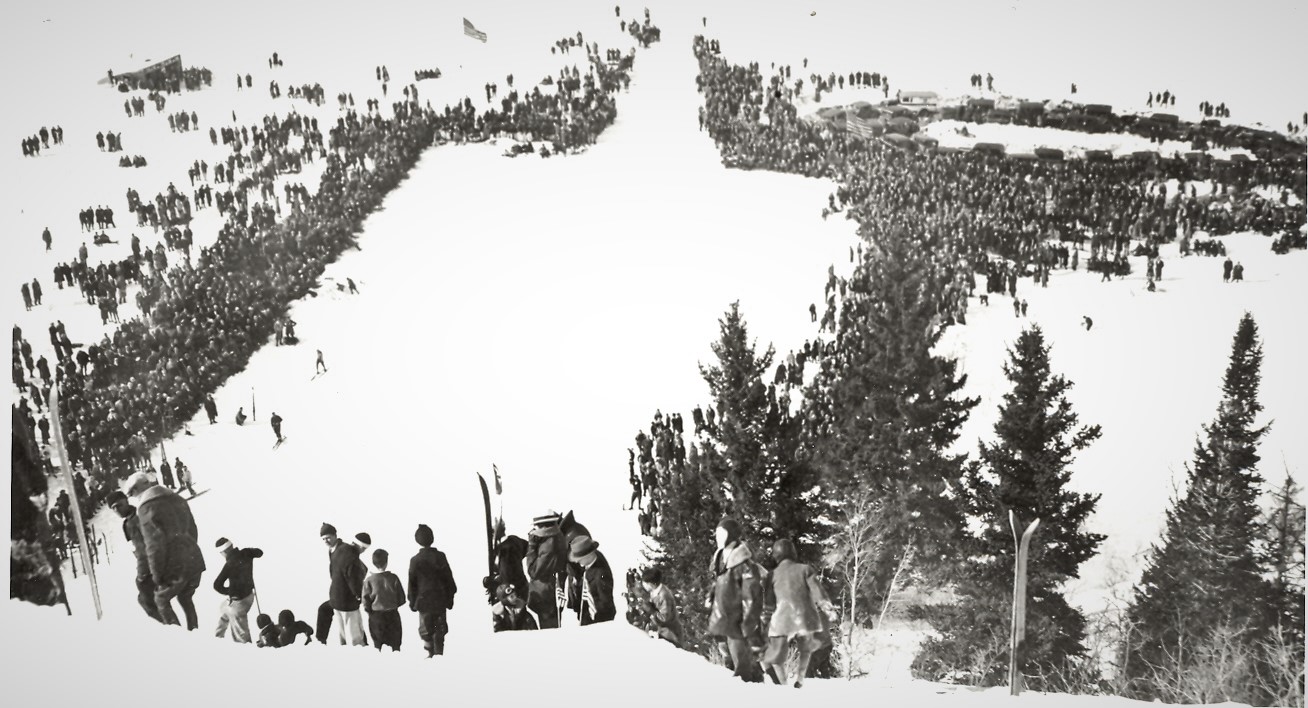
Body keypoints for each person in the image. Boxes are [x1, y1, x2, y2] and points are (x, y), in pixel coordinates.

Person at [126, 471, 206, 630]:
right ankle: (194, 630)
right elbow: (193, 528)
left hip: (175, 567)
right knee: (185, 597)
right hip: (194, 559)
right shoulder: (176, 498)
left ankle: (179, 638)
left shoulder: (146, 508)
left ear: (138, 488)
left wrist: (157, 575)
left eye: (132, 493)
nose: (134, 497)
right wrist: (189, 549)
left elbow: (154, 546)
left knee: (161, 600)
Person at [759, 539, 835, 688]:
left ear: (776, 555)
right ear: (793, 553)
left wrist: (765, 621)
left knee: (775, 657)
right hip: (806, 618)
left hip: (782, 620)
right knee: (806, 649)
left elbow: (769, 604)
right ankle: (800, 679)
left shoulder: (772, 575)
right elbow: (817, 591)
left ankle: (783, 685)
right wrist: (827, 608)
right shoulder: (805, 569)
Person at [707, 517, 764, 682]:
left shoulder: (743, 564)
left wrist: (748, 623)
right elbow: (717, 581)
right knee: (728, 657)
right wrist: (711, 596)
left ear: (731, 536)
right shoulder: (719, 557)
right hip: (722, 616)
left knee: (742, 662)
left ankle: (749, 685)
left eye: (722, 534)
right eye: (717, 534)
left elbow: (751, 595)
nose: (718, 538)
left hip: (737, 620)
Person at [107, 491, 163, 623]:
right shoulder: (129, 521)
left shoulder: (136, 519)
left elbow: (144, 549)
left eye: (119, 505)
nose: (117, 510)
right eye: (113, 508)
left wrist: (142, 574)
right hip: (152, 562)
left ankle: (169, 625)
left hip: (155, 563)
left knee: (145, 596)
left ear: (126, 501)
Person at [409, 523, 457, 656]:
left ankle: (429, 656)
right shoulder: (440, 556)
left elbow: (412, 585)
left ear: (417, 540)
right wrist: (450, 598)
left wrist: (412, 603)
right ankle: (439, 656)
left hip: (423, 603)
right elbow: (449, 579)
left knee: (426, 632)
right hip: (440, 600)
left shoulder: (415, 560)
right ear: (432, 538)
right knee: (440, 630)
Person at [321, 523, 369, 646]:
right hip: (347, 602)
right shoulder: (350, 554)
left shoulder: (336, 550)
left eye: (327, 537)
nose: (326, 541)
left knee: (342, 633)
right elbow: (353, 579)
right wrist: (359, 596)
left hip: (335, 598)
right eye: (364, 549)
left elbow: (333, 572)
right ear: (361, 546)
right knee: (354, 636)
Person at [212, 537, 264, 642]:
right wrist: (250, 551)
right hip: (250, 596)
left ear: (223, 552)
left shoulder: (229, 565)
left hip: (239, 603)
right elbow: (260, 552)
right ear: (231, 546)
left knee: (241, 635)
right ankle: (218, 638)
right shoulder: (246, 552)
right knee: (223, 609)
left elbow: (217, 585)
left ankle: (243, 648)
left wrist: (230, 591)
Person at [525, 510, 568, 629]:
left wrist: (531, 546)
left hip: (545, 595)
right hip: (549, 592)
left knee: (548, 628)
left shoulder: (549, 546)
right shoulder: (556, 536)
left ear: (544, 527)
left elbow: (533, 571)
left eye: (536, 527)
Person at [363, 548, 406, 652]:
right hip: (392, 615)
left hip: (376, 616)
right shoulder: (394, 578)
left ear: (373, 562)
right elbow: (402, 598)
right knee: (396, 645)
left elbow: (365, 601)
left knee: (378, 645)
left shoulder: (369, 580)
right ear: (386, 562)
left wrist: (370, 611)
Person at [566, 535, 615, 625]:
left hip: (598, 620)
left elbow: (605, 603)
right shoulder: (592, 560)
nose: (576, 561)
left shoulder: (601, 575)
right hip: (586, 614)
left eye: (579, 559)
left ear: (588, 556)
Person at [640, 567, 683, 647]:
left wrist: (651, 610)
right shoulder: (654, 591)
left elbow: (665, 618)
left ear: (651, 584)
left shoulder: (664, 596)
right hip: (662, 631)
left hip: (670, 634)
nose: (643, 585)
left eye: (644, 583)